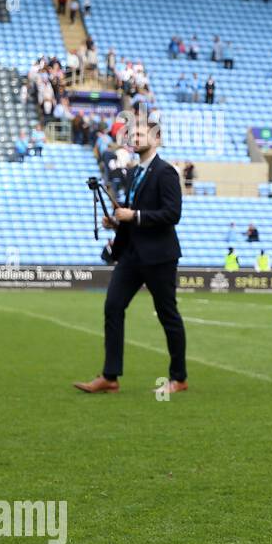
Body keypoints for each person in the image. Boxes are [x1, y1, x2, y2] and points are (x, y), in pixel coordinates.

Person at [74, 121, 187, 395]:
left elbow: (173, 214)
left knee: (167, 314)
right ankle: (110, 376)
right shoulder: (135, 172)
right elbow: (133, 212)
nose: (134, 137)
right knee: (113, 306)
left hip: (159, 256)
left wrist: (133, 216)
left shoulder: (166, 172)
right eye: (132, 134)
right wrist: (118, 223)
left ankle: (179, 377)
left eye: (140, 133)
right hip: (132, 254)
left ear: (156, 138)